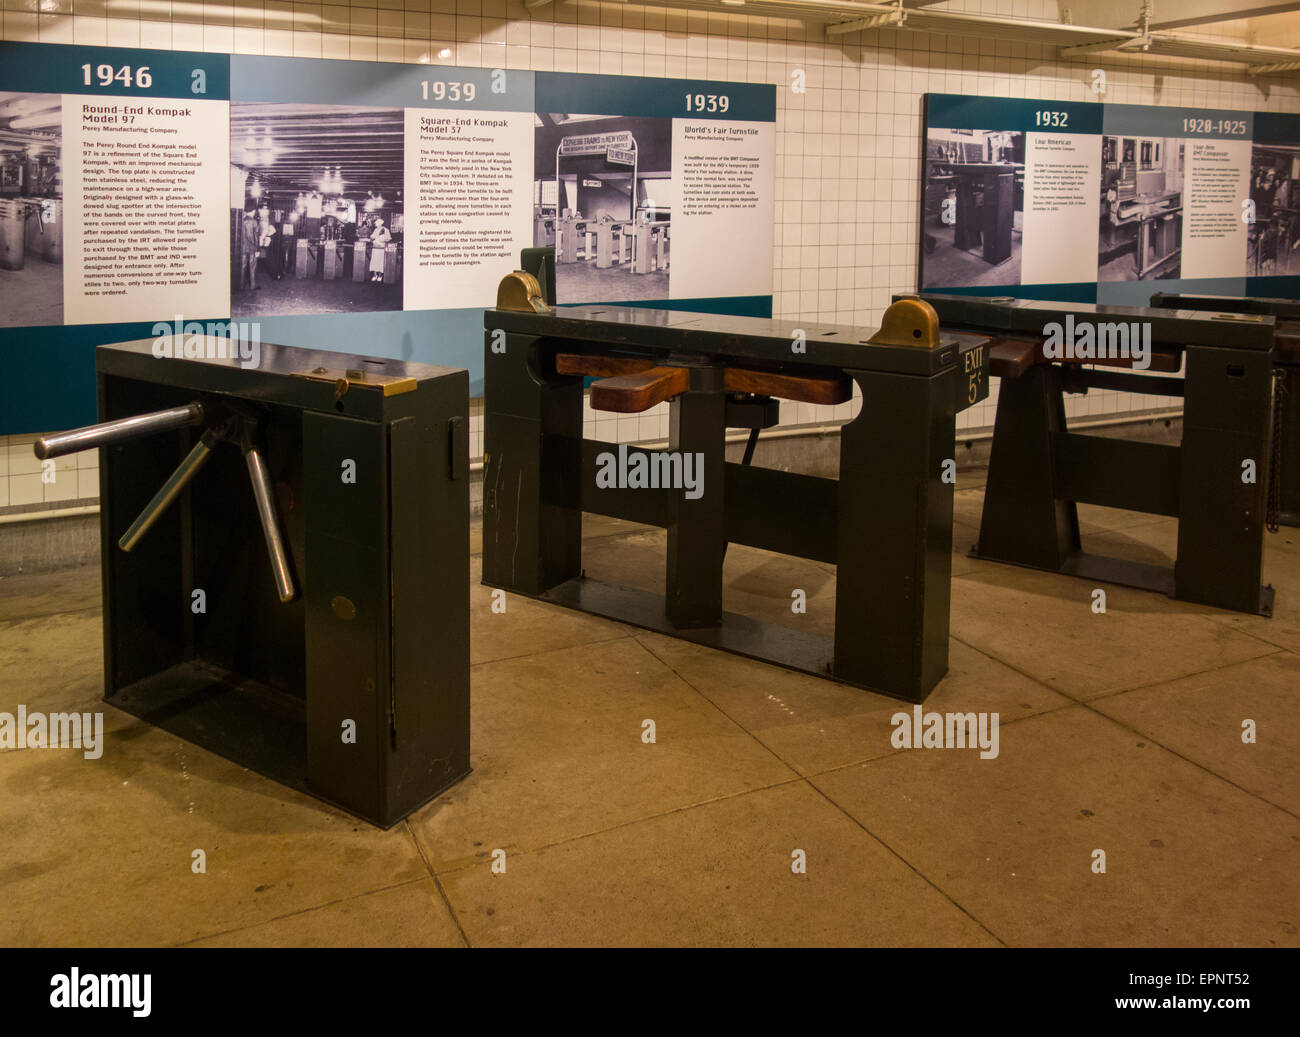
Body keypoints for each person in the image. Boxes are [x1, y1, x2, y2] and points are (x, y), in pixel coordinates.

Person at [240, 209, 260, 290]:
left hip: (242, 247)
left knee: (242, 267)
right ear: (253, 211)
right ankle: (253, 285)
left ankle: (241, 285)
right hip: (252, 248)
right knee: (253, 267)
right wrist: (257, 249)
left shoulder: (241, 220)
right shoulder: (254, 222)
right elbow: (256, 237)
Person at [368, 216, 392, 283]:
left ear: (380, 223)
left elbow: (389, 238)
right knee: (374, 261)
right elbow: (371, 237)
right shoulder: (375, 230)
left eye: (376, 223)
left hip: (381, 248)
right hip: (375, 247)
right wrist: (372, 241)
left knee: (380, 261)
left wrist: (382, 240)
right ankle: (375, 275)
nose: (375, 224)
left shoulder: (385, 230)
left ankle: (380, 275)